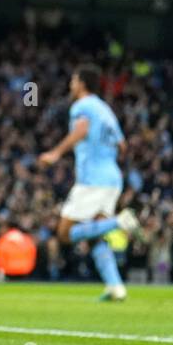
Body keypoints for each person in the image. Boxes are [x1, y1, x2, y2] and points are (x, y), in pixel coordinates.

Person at [38, 64, 139, 301]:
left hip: (93, 179)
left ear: (82, 83)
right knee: (94, 236)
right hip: (112, 178)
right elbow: (123, 147)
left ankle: (120, 221)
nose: (71, 86)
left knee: (64, 233)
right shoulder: (106, 110)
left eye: (73, 81)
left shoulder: (82, 106)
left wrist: (55, 153)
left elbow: (81, 130)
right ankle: (116, 287)